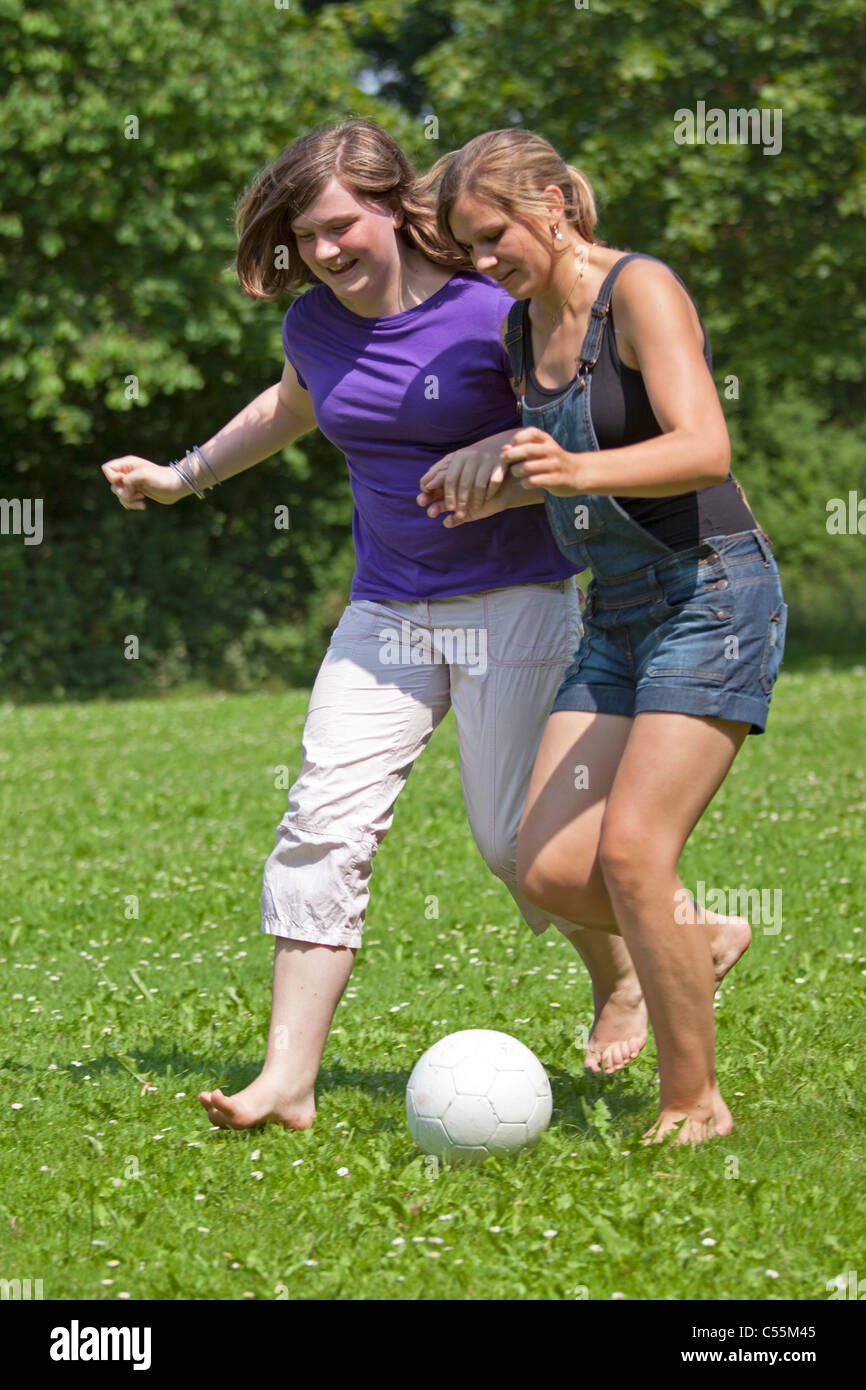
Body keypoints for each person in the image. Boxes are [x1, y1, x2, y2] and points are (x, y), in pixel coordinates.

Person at [101, 118, 664, 1134]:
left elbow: (586, 406)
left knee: (512, 845)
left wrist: (502, 441)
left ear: (389, 204)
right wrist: (181, 474)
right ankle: (287, 1080)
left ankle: (635, 965)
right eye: (300, 237)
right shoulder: (315, 326)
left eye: (333, 227)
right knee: (320, 823)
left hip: (515, 599)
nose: (320, 253)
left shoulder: (493, 300)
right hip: (385, 608)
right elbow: (288, 407)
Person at [425, 127, 786, 1144]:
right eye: (466, 250)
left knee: (632, 856)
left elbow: (700, 445)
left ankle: (692, 1102)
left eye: (491, 235)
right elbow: (565, 453)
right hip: (613, 611)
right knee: (542, 867)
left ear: (551, 201)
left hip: (709, 595)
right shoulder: (517, 328)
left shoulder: (641, 290)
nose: (484, 262)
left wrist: (568, 472)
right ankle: (694, 934)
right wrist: (489, 479)